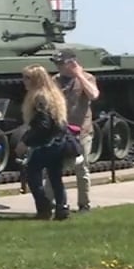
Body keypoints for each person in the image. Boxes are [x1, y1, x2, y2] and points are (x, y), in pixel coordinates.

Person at [17, 63, 70, 221]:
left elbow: (43, 124)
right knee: (55, 177)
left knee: (33, 175)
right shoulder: (54, 94)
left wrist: (25, 141)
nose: (23, 81)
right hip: (58, 142)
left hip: (44, 144)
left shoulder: (39, 97)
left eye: (27, 78)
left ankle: (44, 207)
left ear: (35, 80)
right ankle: (62, 208)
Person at [54, 51, 99, 212]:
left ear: (72, 63)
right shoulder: (55, 81)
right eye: (56, 64)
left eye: (61, 63)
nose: (58, 67)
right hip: (61, 131)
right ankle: (53, 204)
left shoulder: (87, 78)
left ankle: (84, 204)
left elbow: (94, 95)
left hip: (82, 131)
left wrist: (79, 75)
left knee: (82, 168)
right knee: (53, 168)